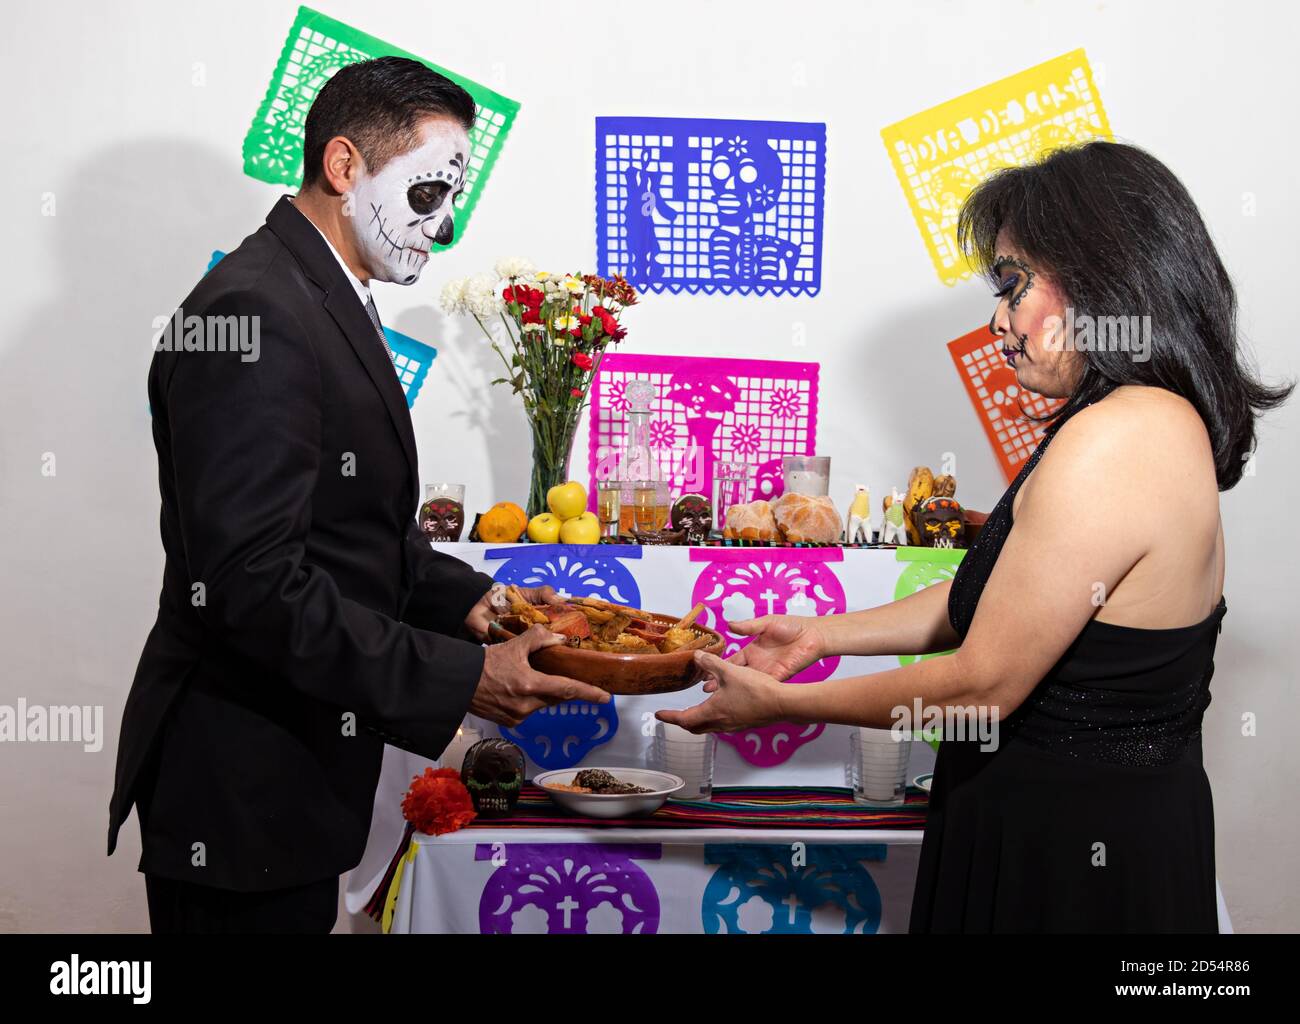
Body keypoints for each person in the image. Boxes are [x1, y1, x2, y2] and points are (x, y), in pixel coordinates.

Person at [659, 141, 1292, 932]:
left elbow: (984, 684)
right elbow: (994, 599)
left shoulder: (1124, 434)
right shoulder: (1137, 419)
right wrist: (820, 633)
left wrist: (784, 702)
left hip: (1072, 857)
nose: (998, 319)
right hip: (1058, 827)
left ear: (1102, 277)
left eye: (1012, 284)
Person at [108, 57, 607, 933]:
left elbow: (350, 533)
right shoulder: (256, 312)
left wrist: (485, 603)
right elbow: (253, 582)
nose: (445, 228)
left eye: (455, 202)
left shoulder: (320, 292)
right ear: (345, 168)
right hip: (239, 784)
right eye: (427, 196)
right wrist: (464, 679)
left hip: (291, 777)